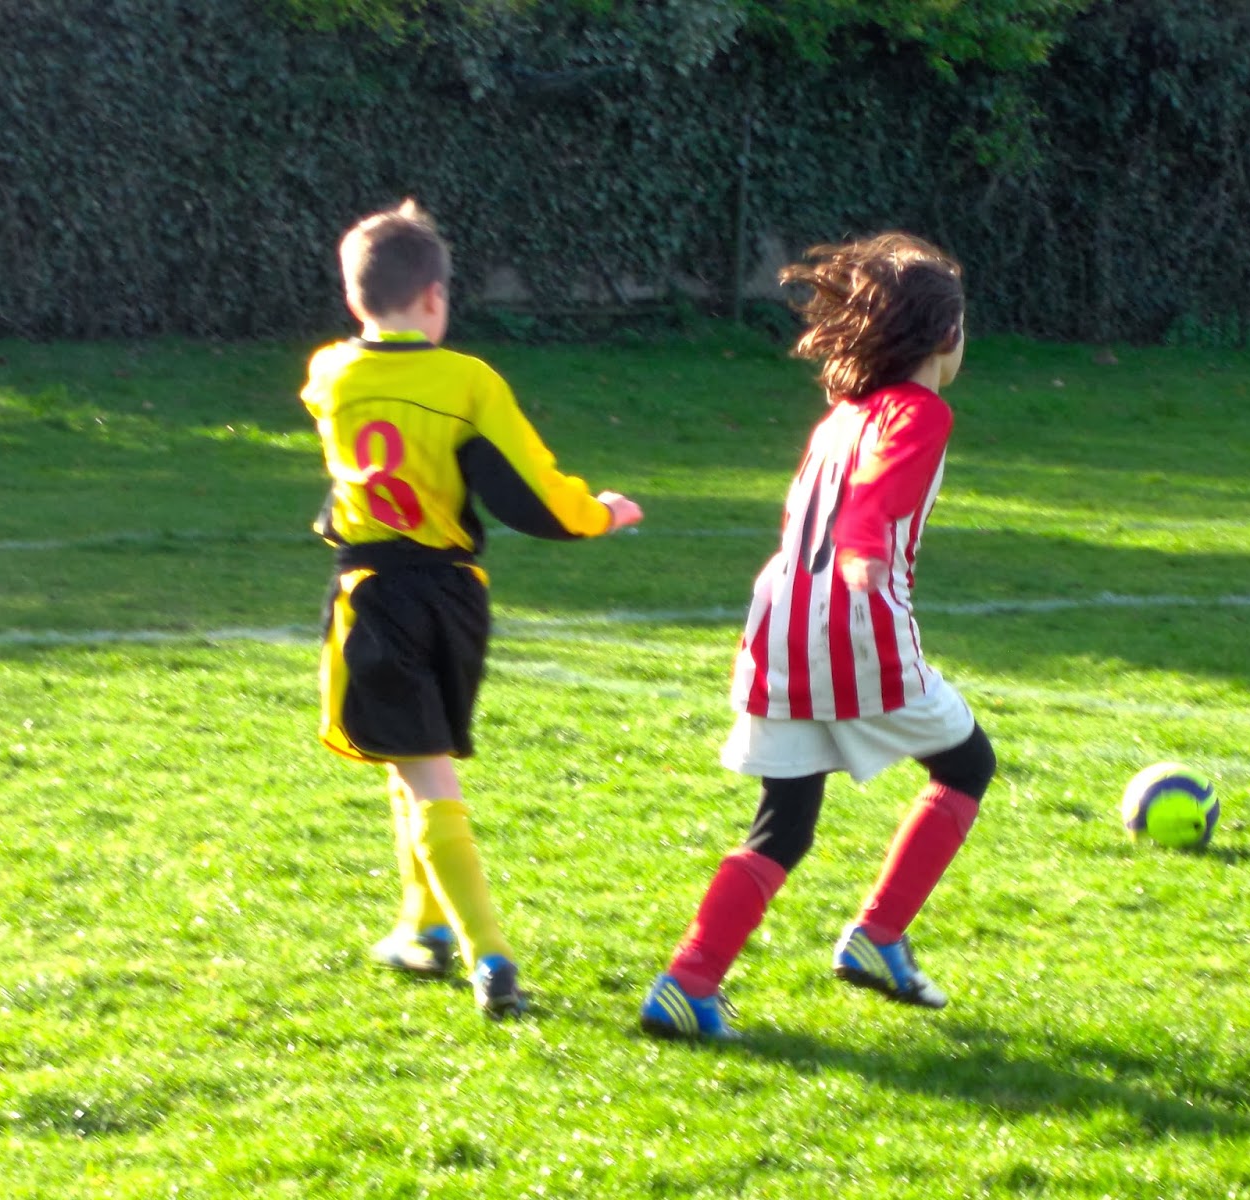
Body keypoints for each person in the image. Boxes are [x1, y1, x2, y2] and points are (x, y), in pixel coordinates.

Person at [640, 232, 996, 1040]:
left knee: (786, 821)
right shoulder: (920, 411)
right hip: (851, 617)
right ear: (947, 336)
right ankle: (878, 936)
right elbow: (873, 498)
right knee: (969, 762)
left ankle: (688, 980)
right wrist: (867, 546)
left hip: (778, 620)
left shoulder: (842, 416)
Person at [301, 199, 642, 1019]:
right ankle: (424, 928)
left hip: (377, 598)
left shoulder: (328, 376)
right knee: (412, 761)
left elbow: (356, 438)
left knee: (422, 773)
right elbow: (532, 492)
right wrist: (600, 512)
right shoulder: (467, 382)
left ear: (356, 300)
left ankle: (493, 960)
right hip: (455, 599)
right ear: (434, 298)